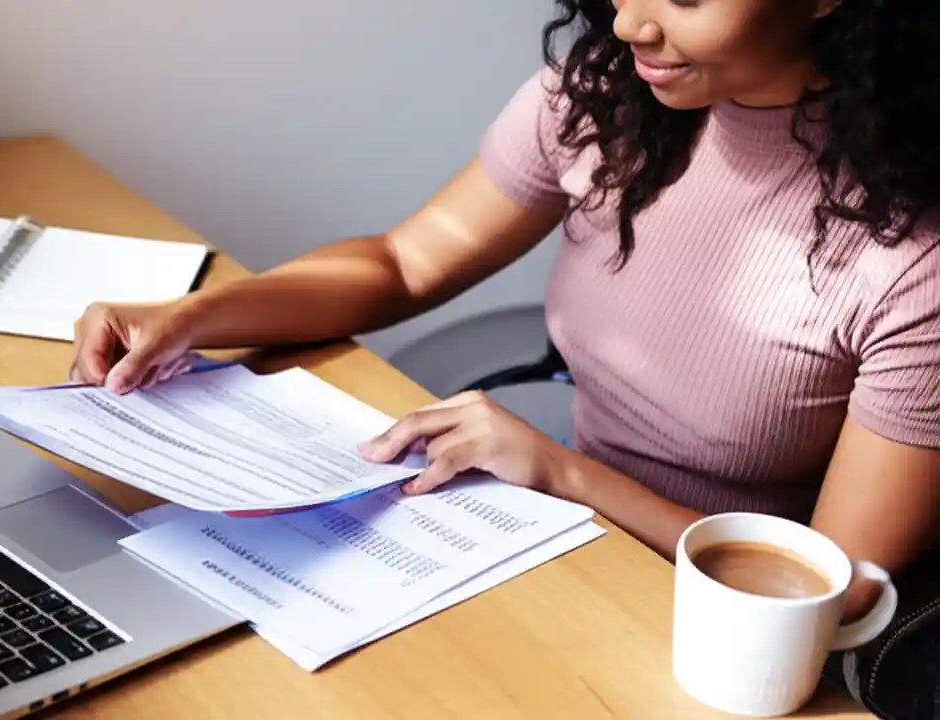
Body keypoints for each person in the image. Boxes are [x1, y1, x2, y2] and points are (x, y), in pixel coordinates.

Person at [70, 0, 940, 622]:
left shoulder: (918, 260)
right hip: (547, 543)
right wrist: (193, 317)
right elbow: (405, 262)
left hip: (716, 619)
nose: (632, 22)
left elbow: (842, 585)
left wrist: (562, 474)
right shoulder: (610, 96)